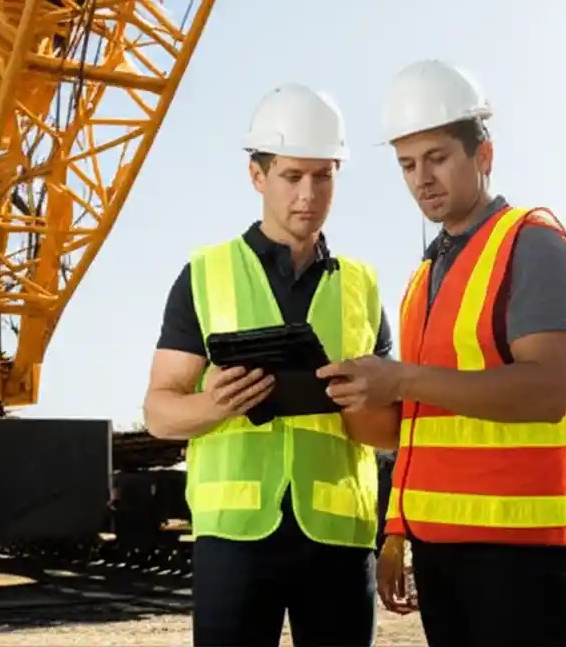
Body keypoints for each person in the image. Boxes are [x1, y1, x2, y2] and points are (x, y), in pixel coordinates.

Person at [317, 59, 566, 646]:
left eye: (437, 158)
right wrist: (396, 531)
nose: (422, 178)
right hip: (438, 548)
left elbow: (545, 392)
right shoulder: (423, 278)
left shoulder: (535, 245)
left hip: (518, 553)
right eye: (407, 164)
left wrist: (398, 379)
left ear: (483, 155)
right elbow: (424, 428)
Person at [142, 82, 401, 647]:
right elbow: (160, 412)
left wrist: (361, 403)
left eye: (323, 175)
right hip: (235, 537)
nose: (308, 193)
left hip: (338, 537)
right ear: (257, 176)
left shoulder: (362, 287)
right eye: (291, 176)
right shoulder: (205, 276)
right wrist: (215, 404)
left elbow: (389, 432)